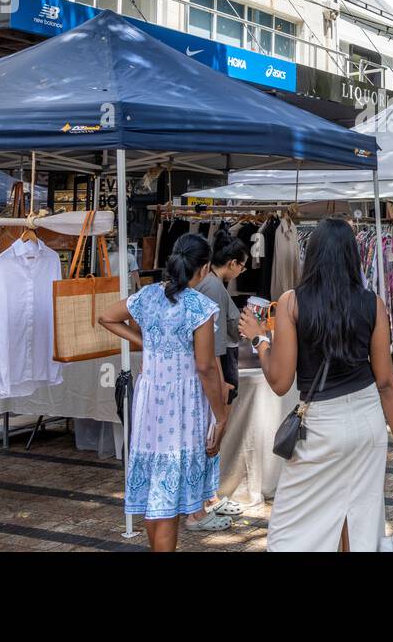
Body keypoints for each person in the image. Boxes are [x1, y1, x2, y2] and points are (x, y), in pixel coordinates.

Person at [238, 218, 393, 552]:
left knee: (291, 532)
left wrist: (260, 339)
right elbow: (388, 383)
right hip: (366, 422)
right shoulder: (372, 303)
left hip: (320, 427)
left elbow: (279, 381)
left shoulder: (292, 302)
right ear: (352, 256)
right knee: (358, 519)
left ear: (312, 253)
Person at [96, 233, 228, 550]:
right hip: (182, 404)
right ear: (205, 267)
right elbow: (206, 367)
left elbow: (106, 317)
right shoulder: (200, 306)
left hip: (150, 401)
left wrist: (148, 345)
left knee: (155, 489)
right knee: (167, 497)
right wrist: (221, 416)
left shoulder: (147, 296)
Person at [194, 237, 250, 520]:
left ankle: (209, 495)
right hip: (221, 362)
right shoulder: (214, 287)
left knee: (213, 431)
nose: (242, 271)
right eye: (242, 265)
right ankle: (208, 497)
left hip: (220, 360)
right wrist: (220, 380)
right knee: (215, 431)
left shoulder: (210, 284)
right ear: (232, 263)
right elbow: (213, 339)